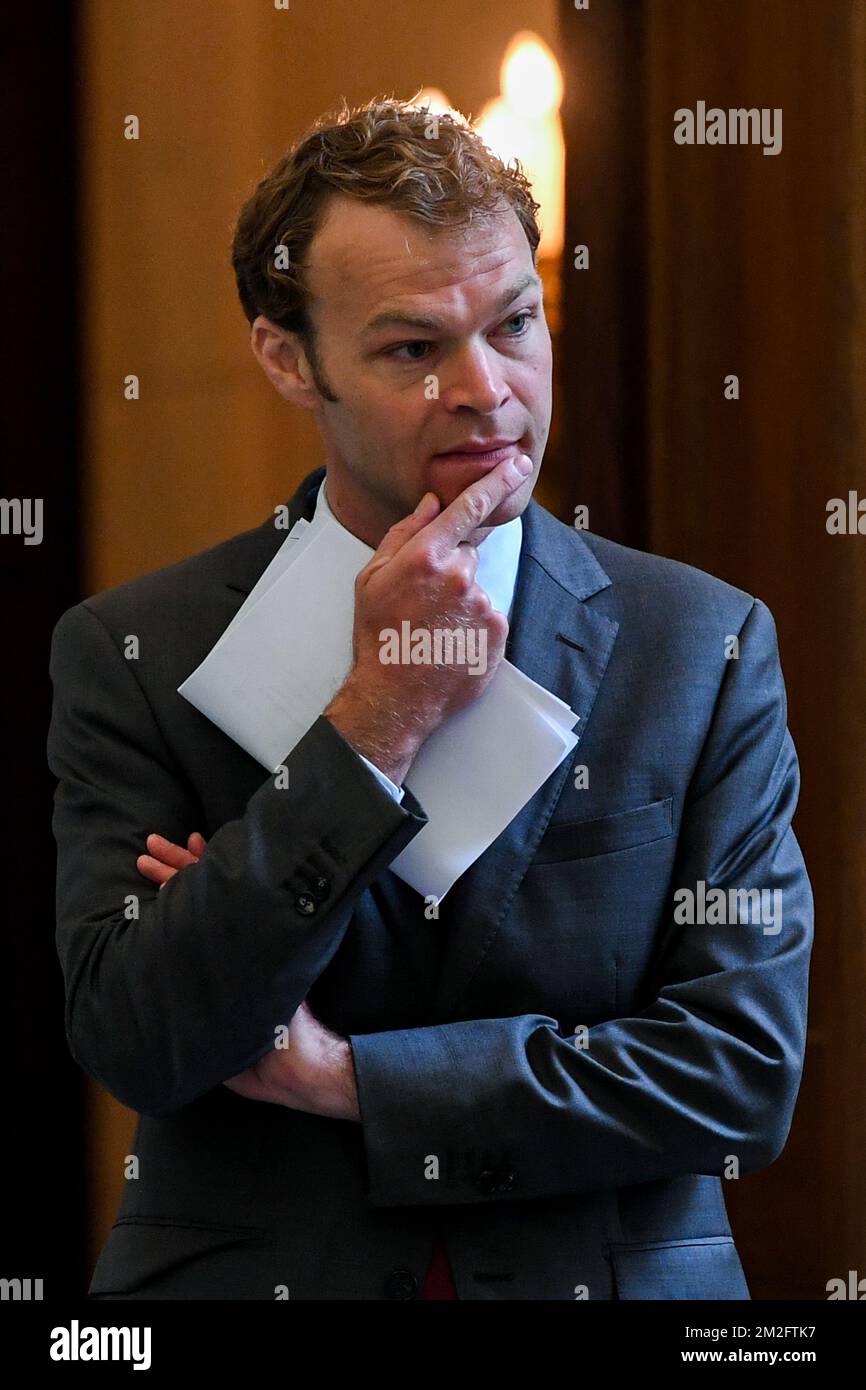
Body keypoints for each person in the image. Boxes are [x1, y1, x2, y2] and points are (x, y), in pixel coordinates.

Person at [48, 96, 813, 1300]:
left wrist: (351, 1079)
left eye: (514, 324)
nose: (486, 389)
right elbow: (142, 1036)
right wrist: (373, 721)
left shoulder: (701, 644)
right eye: (413, 350)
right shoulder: (136, 649)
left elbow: (737, 1073)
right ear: (288, 358)